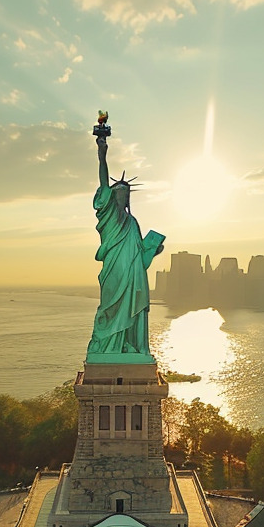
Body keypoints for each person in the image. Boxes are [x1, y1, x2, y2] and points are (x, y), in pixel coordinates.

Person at [86, 135, 165, 360]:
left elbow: (140, 255)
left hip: (133, 274)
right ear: (111, 196)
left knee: (133, 307)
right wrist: (102, 154)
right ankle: (107, 347)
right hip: (114, 270)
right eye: (117, 192)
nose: (121, 195)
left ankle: (128, 345)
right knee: (109, 306)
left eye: (125, 193)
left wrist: (152, 251)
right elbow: (103, 180)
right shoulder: (109, 216)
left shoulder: (132, 222)